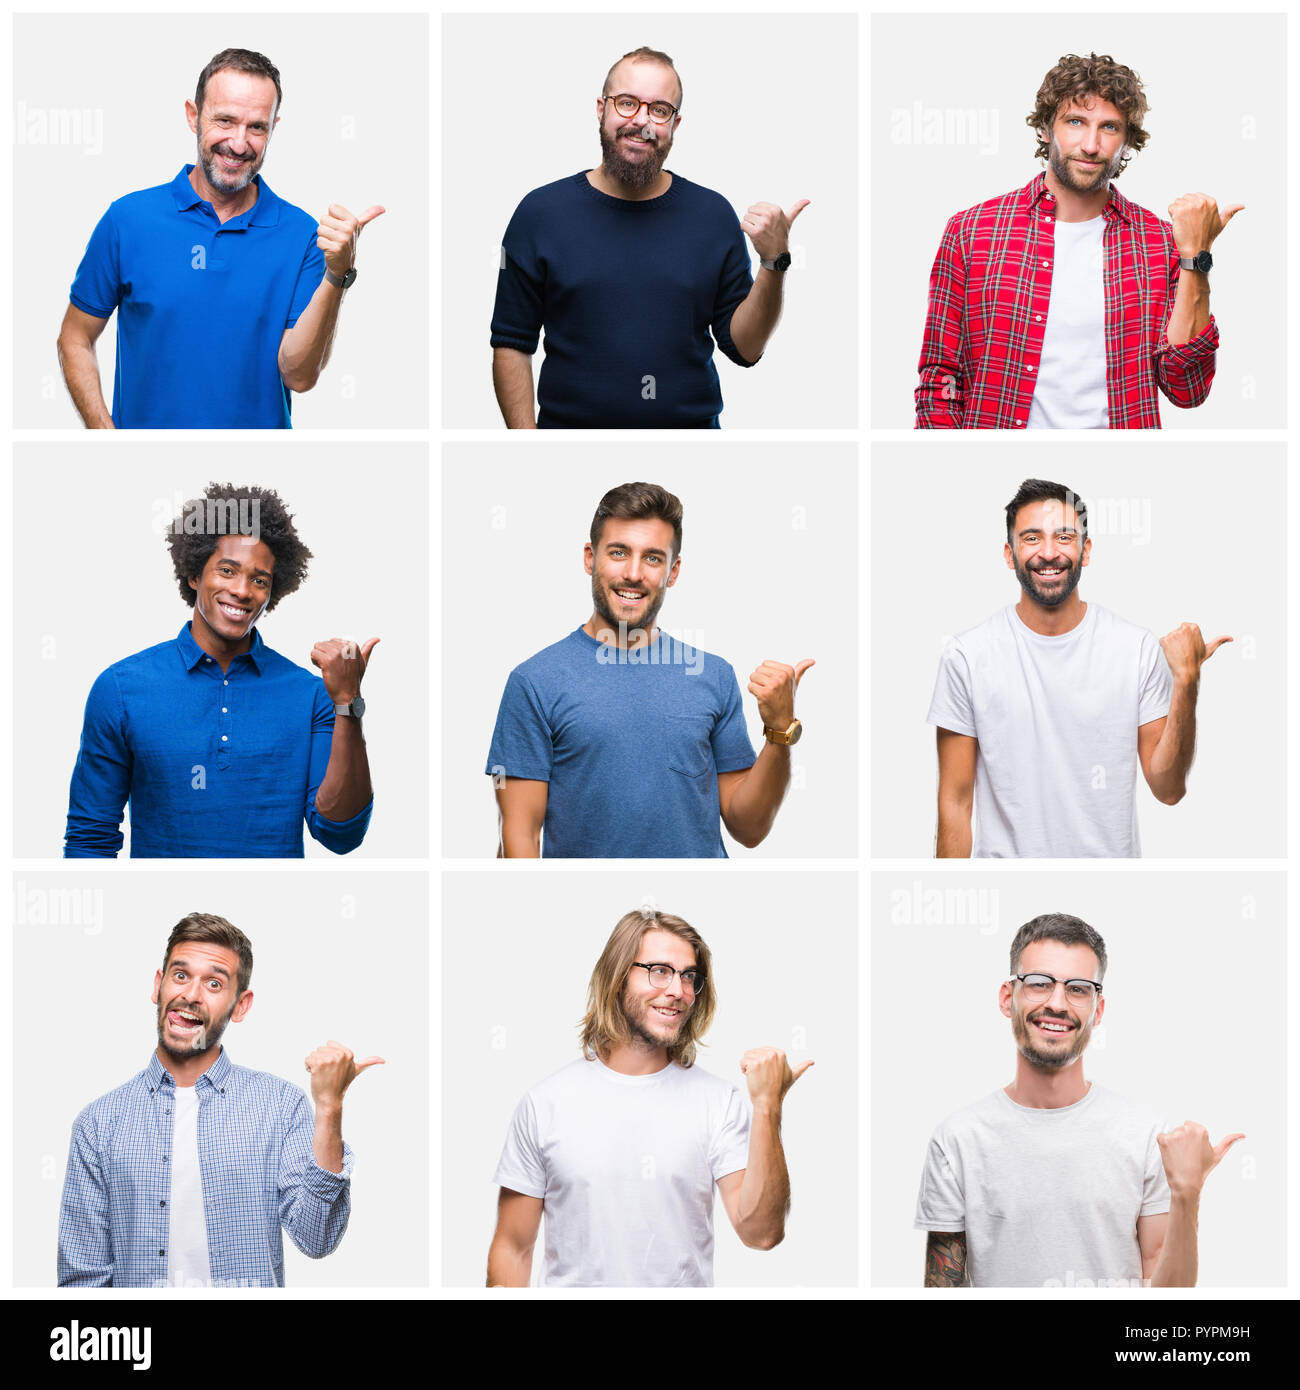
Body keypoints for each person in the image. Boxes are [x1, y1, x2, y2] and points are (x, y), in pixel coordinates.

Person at [57, 47, 384, 429]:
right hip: (143, 473)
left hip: (257, 479)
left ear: (273, 128)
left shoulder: (303, 237)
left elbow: (299, 375)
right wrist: (105, 438)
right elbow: (75, 337)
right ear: (193, 116)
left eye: (257, 127)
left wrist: (337, 274)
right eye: (225, 120)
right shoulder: (127, 220)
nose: (239, 143)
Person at [915, 52, 1243, 429]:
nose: (1090, 144)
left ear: (1127, 141)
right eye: (1075, 122)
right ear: (1045, 129)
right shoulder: (972, 232)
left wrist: (1195, 255)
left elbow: (1187, 389)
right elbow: (940, 379)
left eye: (1109, 127)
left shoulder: (1157, 242)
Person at [487, 908, 812, 1287]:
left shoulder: (718, 1102)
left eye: (689, 976)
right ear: (618, 977)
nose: (678, 991)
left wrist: (767, 1105)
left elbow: (761, 1233)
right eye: (659, 970)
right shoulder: (545, 1104)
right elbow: (513, 1248)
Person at [486, 481, 814, 857]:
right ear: (590, 558)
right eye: (619, 552)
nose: (634, 573)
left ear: (673, 572)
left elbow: (749, 828)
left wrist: (778, 732)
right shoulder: (534, 682)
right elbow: (519, 837)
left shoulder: (715, 676)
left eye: (653, 558)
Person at [916, 913, 1243, 1288]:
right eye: (1038, 983)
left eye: (1077, 988)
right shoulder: (957, 1140)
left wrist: (1188, 1194)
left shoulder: (1147, 1136)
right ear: (1008, 998)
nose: (1057, 1003)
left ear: (1097, 1010)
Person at [57, 913, 384, 1287]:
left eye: (214, 983)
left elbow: (317, 1239)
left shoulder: (280, 1106)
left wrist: (330, 1108)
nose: (191, 995)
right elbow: (84, 1281)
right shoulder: (98, 1124)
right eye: (180, 976)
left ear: (240, 1005)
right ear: (158, 985)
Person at [490, 45, 808, 428]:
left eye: (659, 110)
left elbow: (745, 348)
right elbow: (511, 342)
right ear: (600, 109)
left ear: (674, 124)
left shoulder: (712, 215)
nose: (642, 121)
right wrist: (529, 448)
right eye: (627, 103)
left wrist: (773, 262)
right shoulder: (540, 213)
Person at [64, 482, 378, 857]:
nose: (243, 590)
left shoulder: (310, 695)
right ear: (195, 575)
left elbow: (340, 835)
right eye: (227, 571)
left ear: (271, 594)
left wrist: (348, 703)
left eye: (259, 580)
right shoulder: (119, 688)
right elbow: (90, 839)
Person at [928, 478, 1228, 857]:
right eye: (1032, 538)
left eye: (1064, 537)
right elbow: (955, 804)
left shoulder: (1134, 648)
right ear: (1010, 554)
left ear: (1086, 551)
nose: (1049, 553)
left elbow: (1168, 789)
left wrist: (1187, 681)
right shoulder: (967, 657)